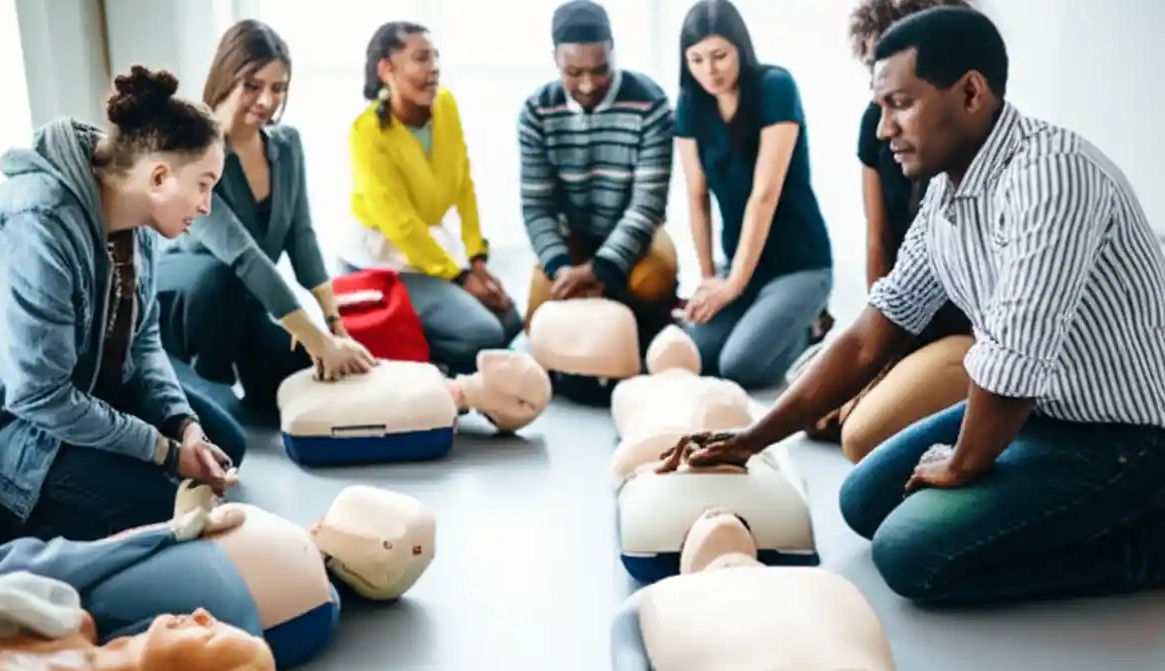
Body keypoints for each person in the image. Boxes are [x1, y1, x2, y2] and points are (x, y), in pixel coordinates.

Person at [673, 7, 1165, 605]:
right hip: (1043, 413)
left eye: (900, 104)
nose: (883, 129)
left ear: (970, 93)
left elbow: (1015, 353)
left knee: (909, 556)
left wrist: (965, 463)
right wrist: (753, 438)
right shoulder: (946, 195)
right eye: (880, 107)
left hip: (1126, 442)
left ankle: (1152, 546)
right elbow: (869, 336)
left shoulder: (1053, 176)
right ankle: (1079, 514)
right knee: (862, 503)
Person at [0, 66, 247, 562]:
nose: (206, 206)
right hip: (1, 428)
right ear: (159, 176)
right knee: (164, 506)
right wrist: (164, 452)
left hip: (81, 388)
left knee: (224, 445)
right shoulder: (37, 226)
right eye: (204, 185)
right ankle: (13, 528)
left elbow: (145, 338)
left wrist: (182, 426)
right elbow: (38, 395)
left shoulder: (136, 219)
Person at [158, 20, 376, 420]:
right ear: (227, 77)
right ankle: (204, 384)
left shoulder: (287, 146)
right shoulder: (191, 151)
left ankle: (246, 380)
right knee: (222, 278)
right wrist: (313, 336)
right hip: (192, 298)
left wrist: (332, 326)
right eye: (253, 85)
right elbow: (242, 254)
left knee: (299, 372)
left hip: (247, 300)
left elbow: (302, 237)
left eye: (278, 88)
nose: (267, 100)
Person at [799, 0, 977, 461]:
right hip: (908, 314)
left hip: (967, 331)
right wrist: (879, 349)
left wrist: (886, 363)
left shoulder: (971, 138)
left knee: (859, 435)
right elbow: (878, 239)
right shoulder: (875, 125)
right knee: (810, 405)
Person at [342, 21, 521, 375]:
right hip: (384, 262)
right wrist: (460, 278)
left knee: (510, 319)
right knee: (485, 333)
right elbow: (402, 226)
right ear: (387, 70)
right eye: (421, 58)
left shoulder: (446, 107)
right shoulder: (367, 134)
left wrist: (477, 261)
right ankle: (407, 356)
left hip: (431, 257)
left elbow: (464, 186)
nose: (434, 68)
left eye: (435, 58)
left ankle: (431, 351)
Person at [674, 0, 835, 389]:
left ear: (740, 49)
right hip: (741, 266)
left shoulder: (775, 87)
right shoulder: (690, 103)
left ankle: (811, 326)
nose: (709, 70)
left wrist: (733, 286)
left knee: (739, 365)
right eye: (696, 60)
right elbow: (697, 196)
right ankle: (769, 316)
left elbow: (764, 194)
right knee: (697, 352)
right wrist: (710, 279)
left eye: (719, 56)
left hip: (799, 265)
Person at [518, 0, 678, 349]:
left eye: (600, 70)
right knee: (539, 320)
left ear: (613, 51)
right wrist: (560, 268)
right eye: (574, 72)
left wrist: (602, 268)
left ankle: (643, 336)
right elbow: (537, 206)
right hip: (571, 240)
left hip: (637, 238)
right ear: (555, 59)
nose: (588, 85)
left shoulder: (650, 103)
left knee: (653, 281)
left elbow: (647, 206)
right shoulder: (536, 111)